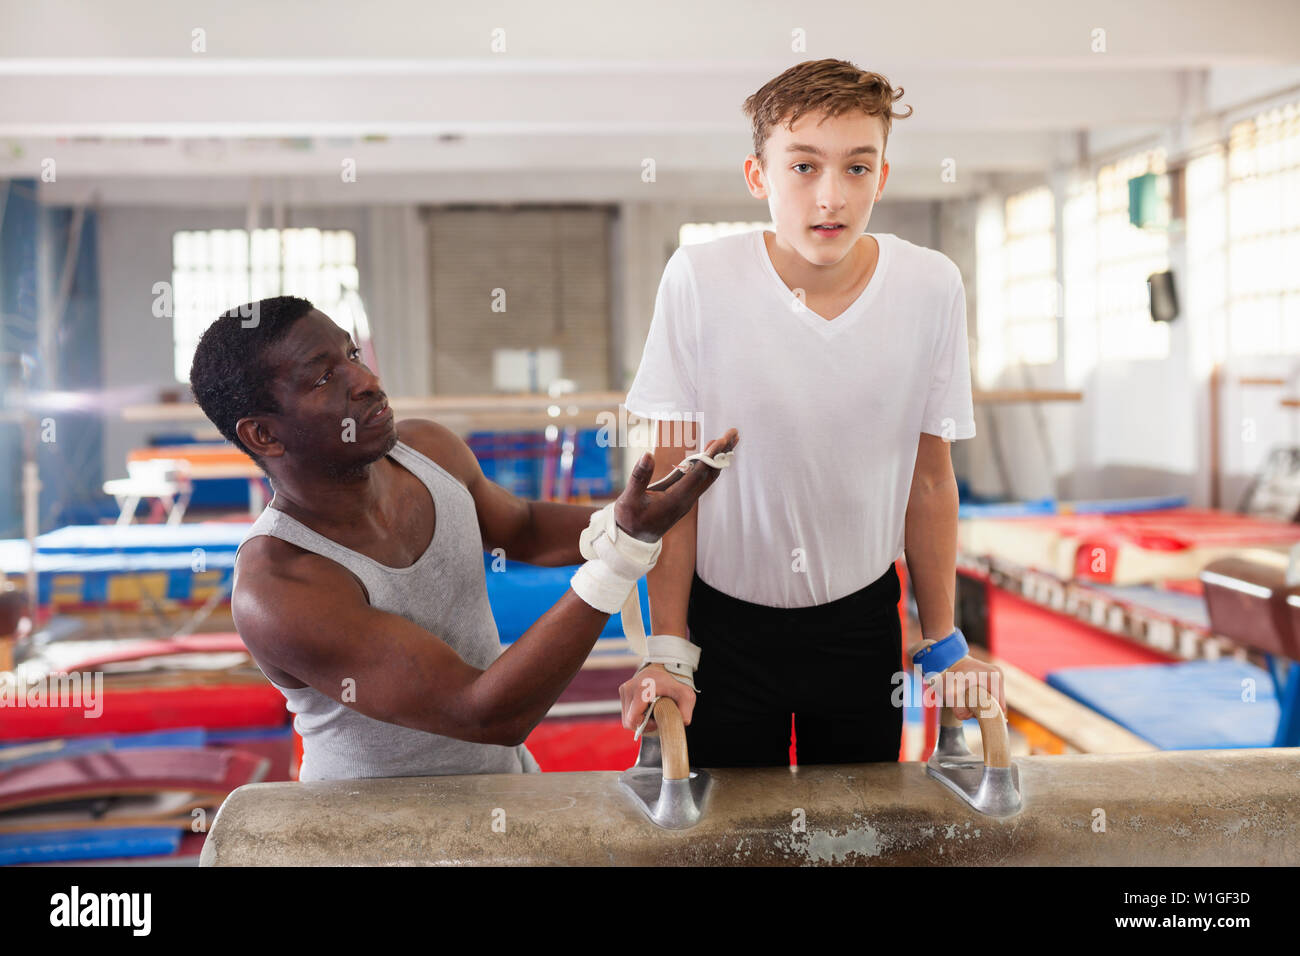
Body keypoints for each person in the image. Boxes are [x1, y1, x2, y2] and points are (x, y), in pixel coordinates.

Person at [619, 58, 1004, 767]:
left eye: (857, 168)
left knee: (862, 819)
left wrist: (942, 639)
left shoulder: (930, 287)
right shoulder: (699, 280)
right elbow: (673, 485)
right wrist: (669, 648)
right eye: (803, 167)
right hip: (723, 628)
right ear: (757, 176)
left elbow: (929, 479)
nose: (832, 197)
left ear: (881, 177)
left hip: (861, 626)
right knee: (730, 822)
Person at [189, 295, 736, 780]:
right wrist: (619, 560)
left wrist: (630, 517)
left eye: (352, 354)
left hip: (504, 782)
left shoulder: (428, 451)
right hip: (372, 829)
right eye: (324, 378)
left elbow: (523, 528)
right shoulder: (280, 586)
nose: (367, 380)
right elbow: (484, 713)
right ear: (263, 434)